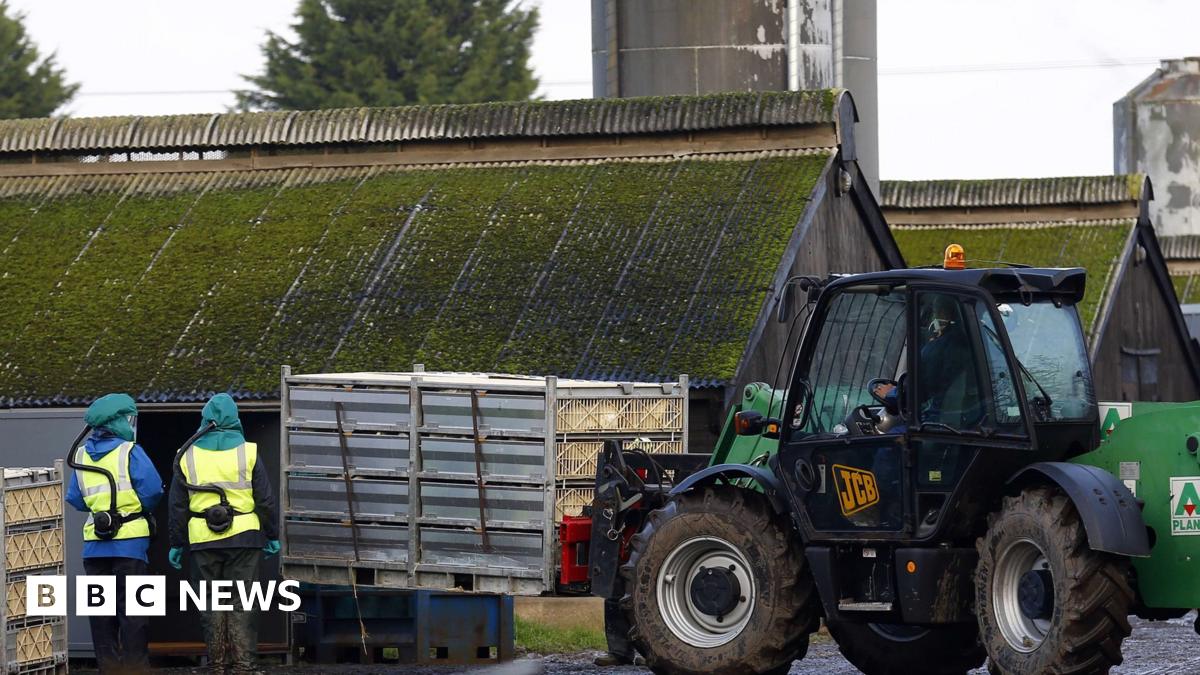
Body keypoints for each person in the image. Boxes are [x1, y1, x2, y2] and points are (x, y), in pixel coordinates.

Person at [168, 394, 279, 675]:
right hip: (245, 537)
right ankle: (244, 665)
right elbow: (264, 498)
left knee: (210, 601)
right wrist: (272, 533)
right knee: (243, 600)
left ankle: (216, 665)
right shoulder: (248, 451)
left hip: (202, 540)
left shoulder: (187, 454)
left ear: (205, 419)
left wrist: (177, 543)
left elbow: (177, 504)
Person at [65, 393, 163, 674]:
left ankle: (108, 668)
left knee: (100, 613)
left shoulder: (81, 455)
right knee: (134, 610)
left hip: (94, 547)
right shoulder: (130, 451)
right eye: (128, 418)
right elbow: (152, 490)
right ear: (118, 420)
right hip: (130, 545)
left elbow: (76, 498)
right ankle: (135, 668)